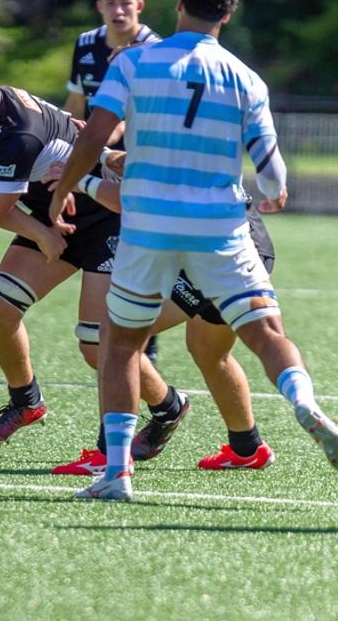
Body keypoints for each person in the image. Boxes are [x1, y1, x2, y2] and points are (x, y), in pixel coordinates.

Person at [49, 0, 338, 501]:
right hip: (220, 225)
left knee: (120, 343)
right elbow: (271, 168)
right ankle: (303, 401)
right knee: (265, 334)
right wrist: (274, 191)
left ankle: (118, 473)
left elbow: (95, 135)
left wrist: (61, 192)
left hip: (149, 225)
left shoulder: (133, 62)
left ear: (178, 3)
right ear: (229, 13)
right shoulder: (246, 78)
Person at [0, 56, 189, 448]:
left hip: (109, 218)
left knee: (96, 343)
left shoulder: (18, 134)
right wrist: (39, 231)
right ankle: (25, 402)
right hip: (54, 217)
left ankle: (166, 407)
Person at [51, 156, 278, 475]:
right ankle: (248, 447)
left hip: (218, 249)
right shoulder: (194, 117)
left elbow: (128, 198)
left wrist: (79, 178)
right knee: (210, 352)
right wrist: (108, 158)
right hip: (243, 236)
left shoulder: (162, 113)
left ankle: (109, 456)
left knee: (113, 337)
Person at [64, 0, 163, 365]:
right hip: (96, 162)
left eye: (126, 3)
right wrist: (68, 146)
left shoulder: (154, 49)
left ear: (139, 7)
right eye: (111, 3)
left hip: (140, 163)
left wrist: (103, 140)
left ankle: (146, 346)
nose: (118, 10)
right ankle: (126, 341)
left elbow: (123, 115)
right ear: (99, 7)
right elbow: (75, 103)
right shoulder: (86, 44)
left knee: (141, 252)